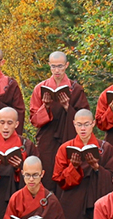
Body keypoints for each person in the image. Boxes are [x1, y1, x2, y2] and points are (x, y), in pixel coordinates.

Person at [29, 51, 91, 186]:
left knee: (68, 168)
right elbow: (34, 119)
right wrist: (45, 107)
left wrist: (68, 107)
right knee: (48, 169)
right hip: (47, 137)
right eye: (53, 66)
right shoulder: (40, 88)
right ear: (49, 66)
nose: (57, 70)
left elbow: (85, 117)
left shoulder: (76, 89)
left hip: (68, 136)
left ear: (67, 65)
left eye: (60, 66)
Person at [52, 109, 113, 219]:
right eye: (79, 124)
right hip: (73, 201)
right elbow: (59, 179)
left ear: (93, 123)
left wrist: (97, 167)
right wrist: (74, 167)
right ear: (74, 124)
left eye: (86, 124)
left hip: (97, 198)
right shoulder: (65, 148)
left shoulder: (105, 148)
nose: (83, 128)